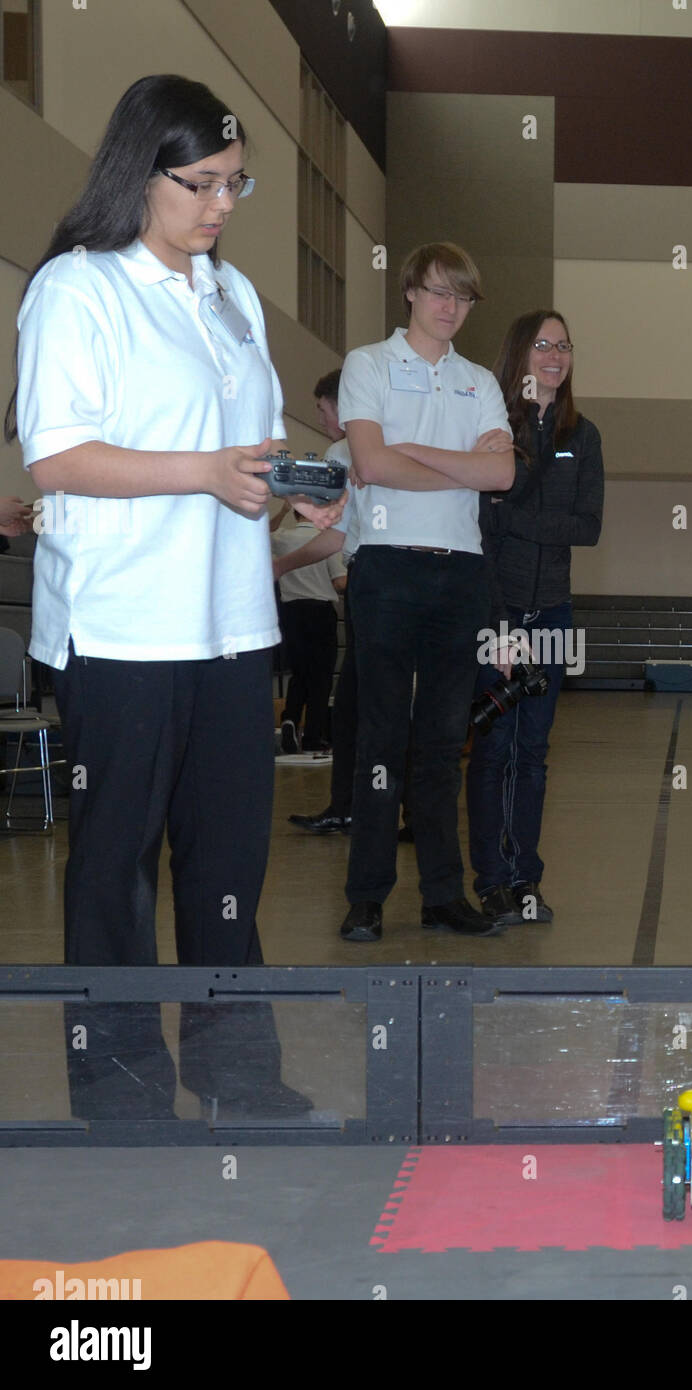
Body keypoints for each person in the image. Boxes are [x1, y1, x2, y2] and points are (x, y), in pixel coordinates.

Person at [5, 74, 341, 1118]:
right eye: (200, 184)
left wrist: (288, 490)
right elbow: (58, 457)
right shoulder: (78, 289)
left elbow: (248, 446)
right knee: (117, 869)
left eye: (236, 183)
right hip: (123, 629)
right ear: (139, 173)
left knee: (227, 866)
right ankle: (118, 1084)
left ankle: (234, 1068)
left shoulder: (233, 297)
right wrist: (202, 471)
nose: (220, 205)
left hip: (232, 623)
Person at [335, 241, 516, 942]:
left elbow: (502, 476)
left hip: (461, 572)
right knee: (380, 737)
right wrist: (462, 465)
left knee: (442, 743)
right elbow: (370, 462)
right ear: (410, 290)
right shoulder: (368, 365)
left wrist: (408, 454)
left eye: (462, 297)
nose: (450, 306)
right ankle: (367, 896)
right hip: (386, 567)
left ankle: (443, 895)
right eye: (439, 291)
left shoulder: (480, 381)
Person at [467, 310, 603, 927]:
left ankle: (527, 878)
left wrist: (511, 515)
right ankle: (491, 881)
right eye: (543, 344)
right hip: (495, 613)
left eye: (564, 346)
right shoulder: (492, 428)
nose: (555, 356)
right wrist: (498, 621)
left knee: (534, 752)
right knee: (493, 747)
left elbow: (587, 527)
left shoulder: (583, 435)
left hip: (553, 613)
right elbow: (479, 528)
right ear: (521, 353)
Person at [270, 490, 345, 754]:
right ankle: (313, 736)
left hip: (290, 611)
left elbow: (262, 533)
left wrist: (280, 511)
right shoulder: (326, 540)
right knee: (321, 677)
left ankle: (289, 720)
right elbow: (340, 581)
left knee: (299, 673)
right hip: (320, 611)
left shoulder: (282, 538)